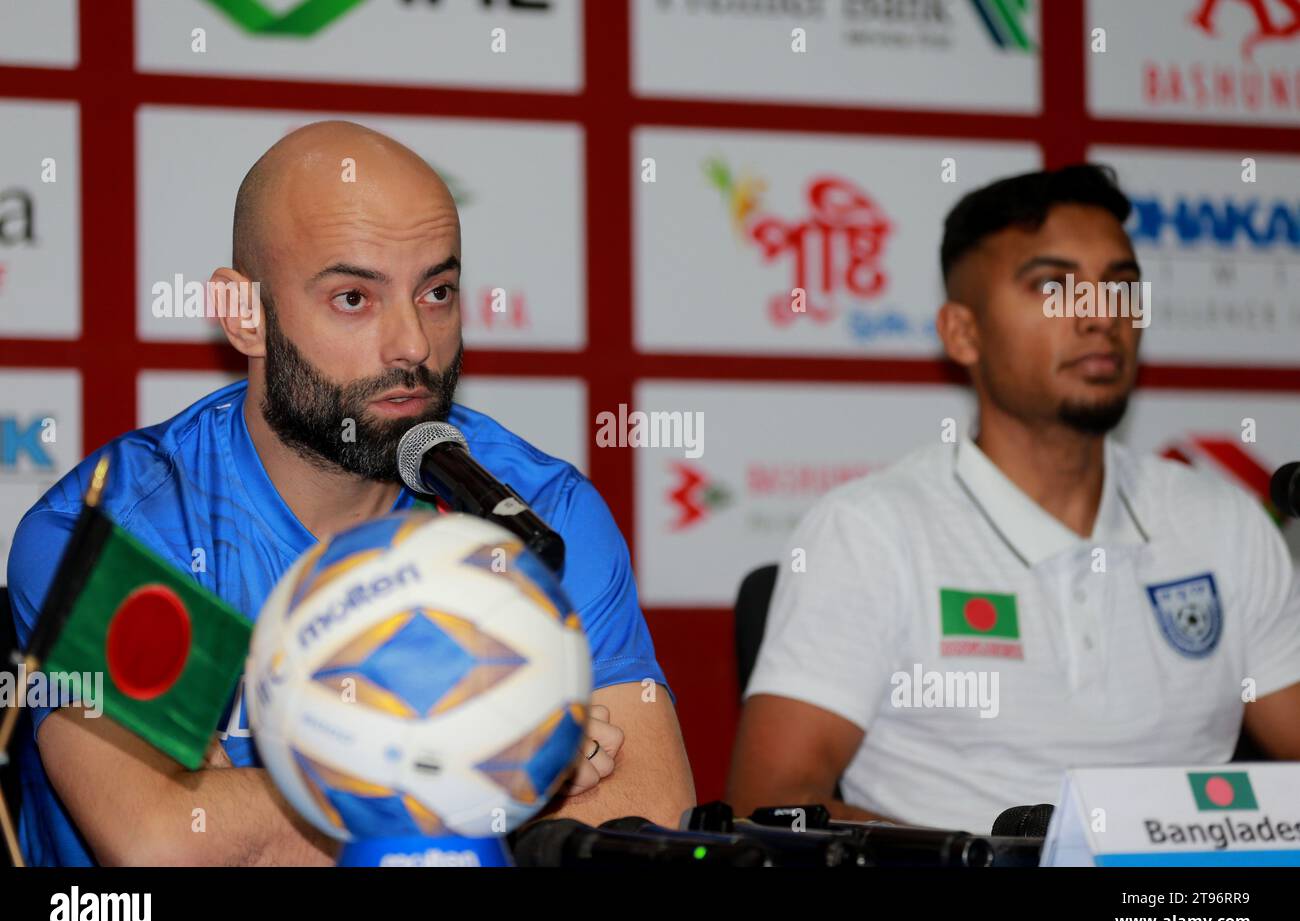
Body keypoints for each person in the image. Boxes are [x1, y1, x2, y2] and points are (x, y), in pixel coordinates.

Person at [8, 121, 694, 866]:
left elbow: (647, 825)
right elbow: (171, 843)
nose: (412, 344)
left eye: (436, 291)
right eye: (353, 298)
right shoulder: (125, 530)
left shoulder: (531, 514)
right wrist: (484, 758)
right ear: (246, 315)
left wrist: (304, 791)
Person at [728, 164, 1300, 833]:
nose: (1099, 316)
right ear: (962, 333)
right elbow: (768, 808)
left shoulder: (1223, 523)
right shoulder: (872, 532)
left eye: (1121, 287)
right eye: (1054, 287)